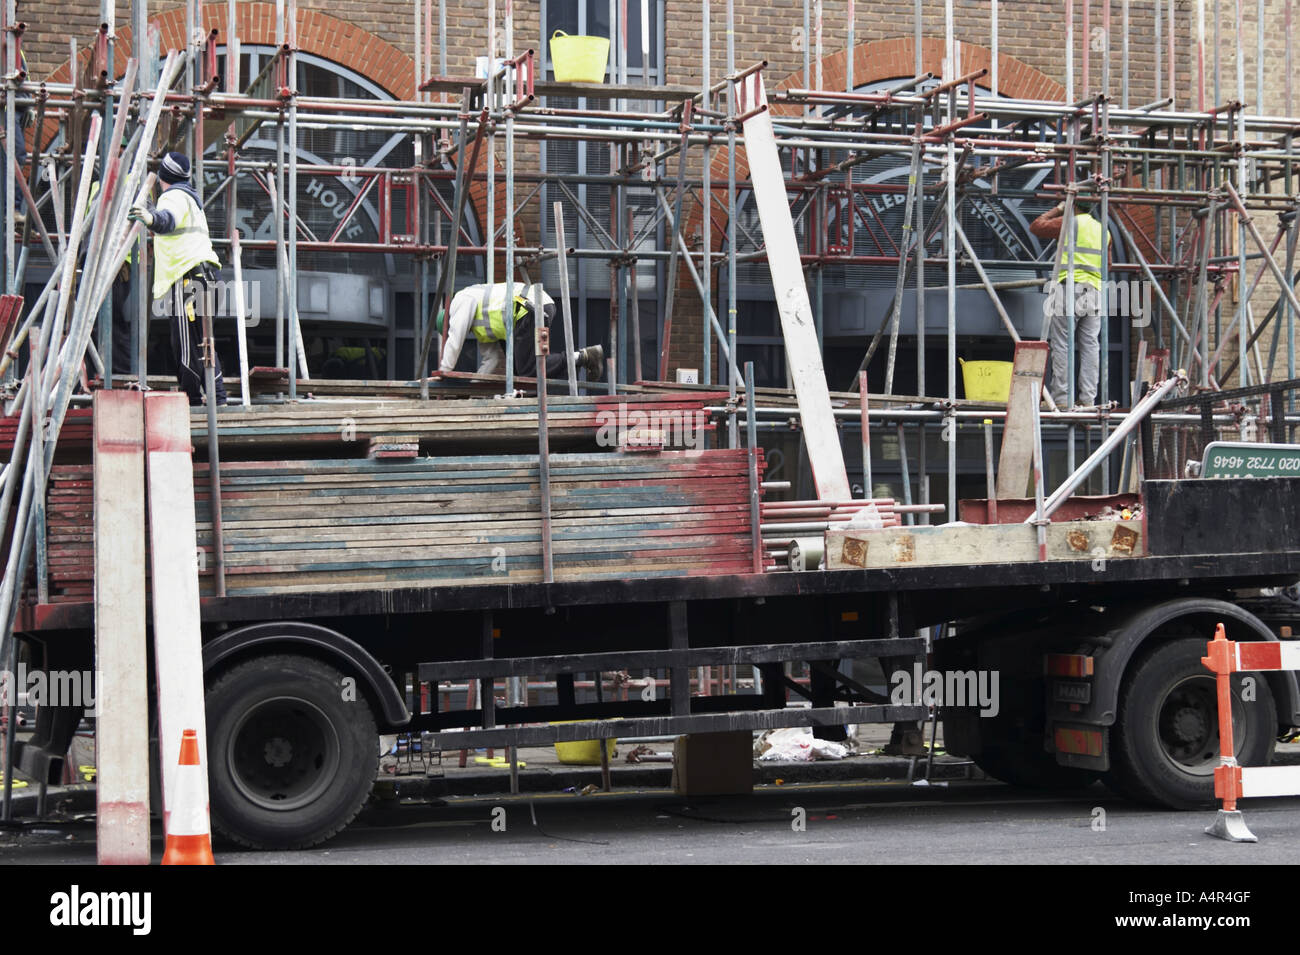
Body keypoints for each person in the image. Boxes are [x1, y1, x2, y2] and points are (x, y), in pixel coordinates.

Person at [127, 151, 227, 405]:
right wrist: (151, 212)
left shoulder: (173, 196)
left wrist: (149, 217)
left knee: (185, 347)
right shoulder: (189, 199)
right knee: (201, 344)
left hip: (189, 281)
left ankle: (192, 402)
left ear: (163, 177)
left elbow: (166, 220)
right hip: (204, 278)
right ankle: (217, 400)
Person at [438, 281, 604, 381]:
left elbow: (455, 340)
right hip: (533, 311)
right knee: (519, 372)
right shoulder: (479, 326)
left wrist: (444, 372)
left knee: (528, 369)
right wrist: (474, 391)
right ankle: (582, 358)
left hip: (529, 309)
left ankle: (583, 356)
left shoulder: (461, 299)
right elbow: (492, 359)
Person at [1030, 197, 1105, 409]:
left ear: (1074, 205)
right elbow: (1107, 264)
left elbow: (1036, 226)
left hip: (1070, 287)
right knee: (1091, 345)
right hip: (1095, 291)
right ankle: (1088, 399)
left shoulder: (1069, 223)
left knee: (1062, 344)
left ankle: (1062, 398)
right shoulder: (1103, 231)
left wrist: (1059, 208)